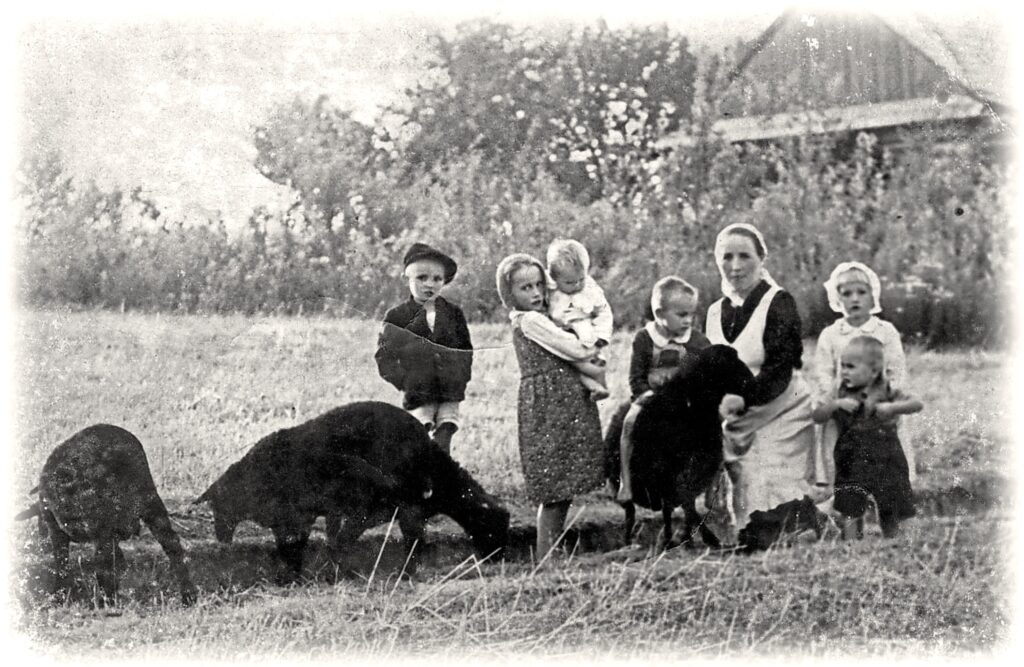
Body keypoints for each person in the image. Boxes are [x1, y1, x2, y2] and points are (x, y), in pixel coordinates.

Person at [704, 222, 825, 551]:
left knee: (765, 478)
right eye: (726, 257)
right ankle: (752, 535)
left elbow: (779, 370)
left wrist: (739, 398)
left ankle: (797, 526)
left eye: (744, 256)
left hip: (784, 407)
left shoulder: (779, 302)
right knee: (738, 485)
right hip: (739, 416)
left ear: (762, 259)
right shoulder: (715, 312)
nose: (736, 265)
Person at [495, 253, 605, 561]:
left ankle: (552, 551)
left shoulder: (540, 317)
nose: (535, 294)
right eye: (525, 288)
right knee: (555, 484)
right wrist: (588, 344)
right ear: (510, 294)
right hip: (549, 404)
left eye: (539, 285)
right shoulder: (530, 321)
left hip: (562, 400)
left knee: (563, 481)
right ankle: (547, 555)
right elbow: (570, 348)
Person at [812, 261, 912, 492]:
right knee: (847, 479)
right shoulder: (831, 335)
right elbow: (823, 373)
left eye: (861, 292)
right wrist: (836, 400)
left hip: (879, 414)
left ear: (872, 295)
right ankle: (848, 514)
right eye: (846, 294)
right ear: (837, 298)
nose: (854, 299)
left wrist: (884, 400)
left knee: (887, 481)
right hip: (845, 416)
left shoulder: (885, 331)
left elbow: (896, 370)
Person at [811, 336, 921, 539]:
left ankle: (894, 539)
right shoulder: (838, 390)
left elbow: (916, 404)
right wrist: (835, 405)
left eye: (850, 367)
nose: (844, 371)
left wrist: (892, 407)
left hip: (887, 454)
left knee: (893, 499)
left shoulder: (888, 390)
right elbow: (817, 416)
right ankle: (852, 543)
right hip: (851, 455)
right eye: (842, 366)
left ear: (874, 371)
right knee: (850, 501)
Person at [614, 276, 710, 503]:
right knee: (629, 424)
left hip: (684, 400)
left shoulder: (697, 341)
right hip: (651, 398)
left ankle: (709, 486)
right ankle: (625, 482)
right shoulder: (645, 339)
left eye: (691, 314)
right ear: (659, 314)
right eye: (681, 315)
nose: (688, 321)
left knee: (712, 430)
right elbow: (636, 377)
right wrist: (648, 397)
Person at [374, 243, 473, 454]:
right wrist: (405, 381)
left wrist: (460, 376)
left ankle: (441, 481)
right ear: (406, 278)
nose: (429, 284)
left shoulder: (453, 314)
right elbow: (385, 357)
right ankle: (418, 480)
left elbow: (466, 349)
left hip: (449, 389)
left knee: (445, 432)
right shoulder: (397, 316)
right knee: (419, 435)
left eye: (437, 279)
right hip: (418, 391)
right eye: (422, 278)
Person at [545, 239, 613, 401]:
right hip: (560, 335)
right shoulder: (551, 290)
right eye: (569, 282)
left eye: (581, 279)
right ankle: (595, 386)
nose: (576, 285)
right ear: (554, 278)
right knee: (572, 364)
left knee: (594, 360)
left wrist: (602, 336)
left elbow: (604, 312)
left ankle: (600, 386)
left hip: (586, 334)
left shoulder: (590, 290)